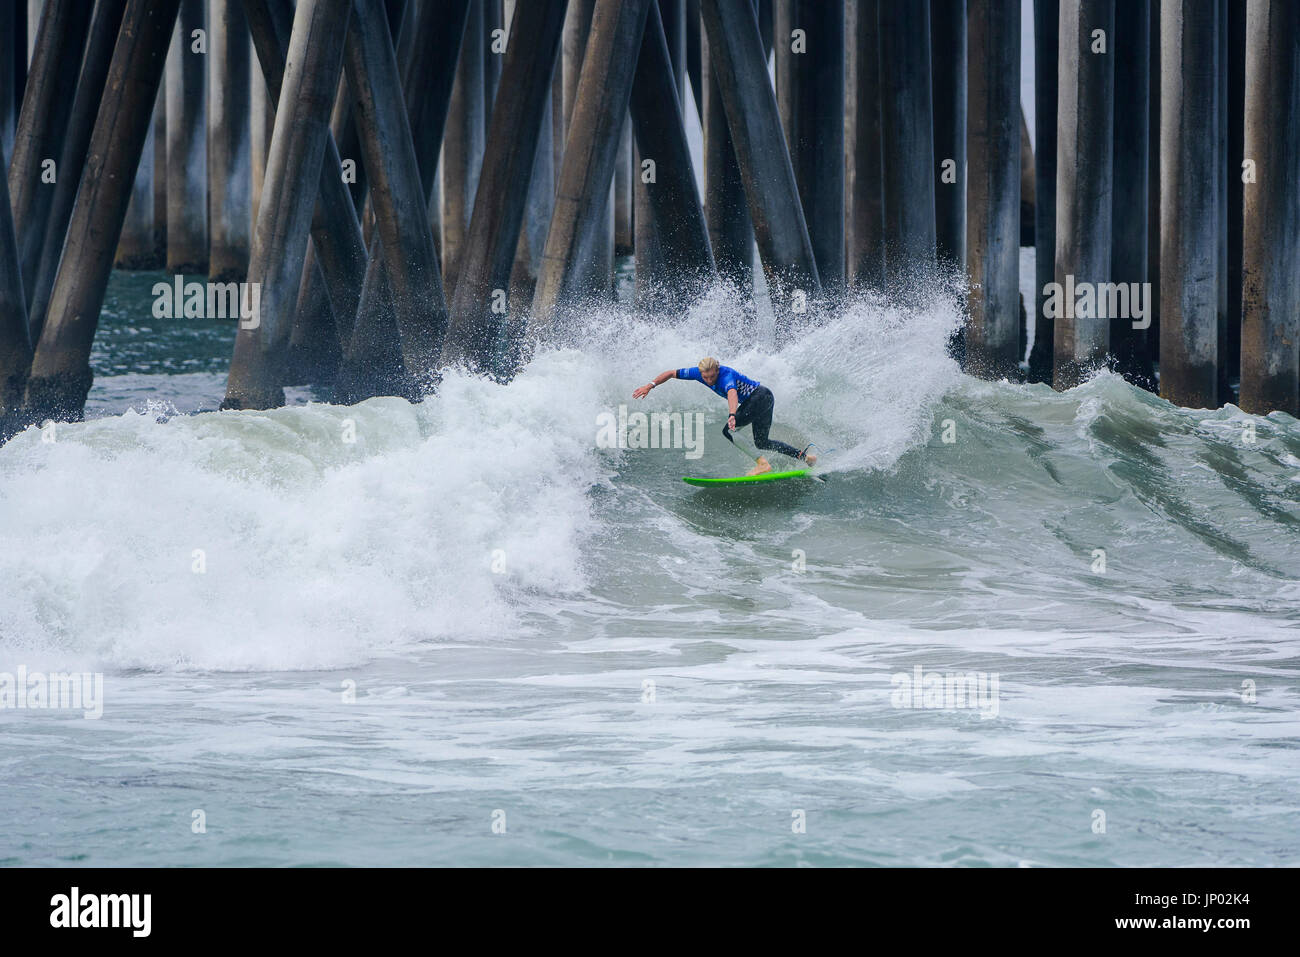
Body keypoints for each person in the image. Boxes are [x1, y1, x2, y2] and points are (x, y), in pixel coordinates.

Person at [632, 357, 816, 475]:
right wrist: (651, 385)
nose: (710, 380)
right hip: (766, 397)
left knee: (728, 431)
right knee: (762, 442)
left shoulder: (725, 375)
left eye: (712, 377)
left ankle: (762, 464)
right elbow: (671, 373)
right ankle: (805, 457)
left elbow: (732, 393)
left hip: (759, 398)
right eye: (706, 378)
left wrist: (732, 414)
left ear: (717, 370)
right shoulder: (697, 373)